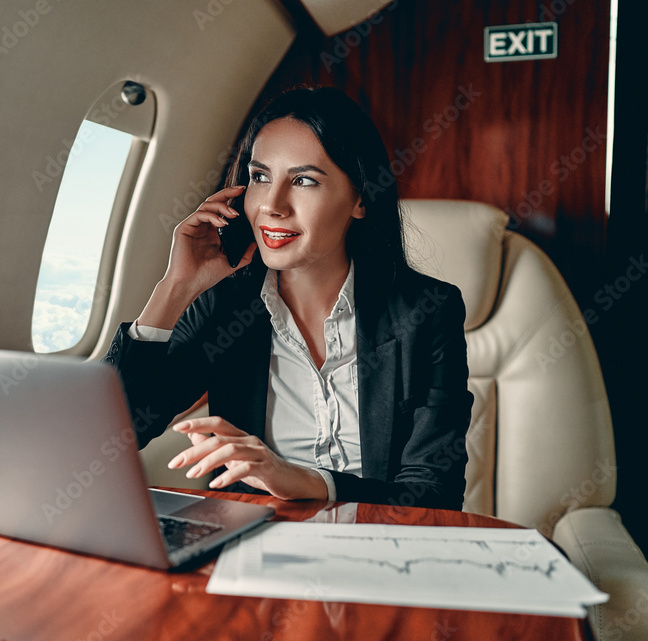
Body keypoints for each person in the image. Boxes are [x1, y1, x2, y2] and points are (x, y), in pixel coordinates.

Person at [100, 85, 473, 510]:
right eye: (260, 177)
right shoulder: (228, 305)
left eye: (303, 180)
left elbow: (434, 492)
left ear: (361, 199)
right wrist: (174, 288)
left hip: (379, 547)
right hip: (252, 547)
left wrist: (303, 480)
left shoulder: (426, 312)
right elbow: (116, 434)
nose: (272, 205)